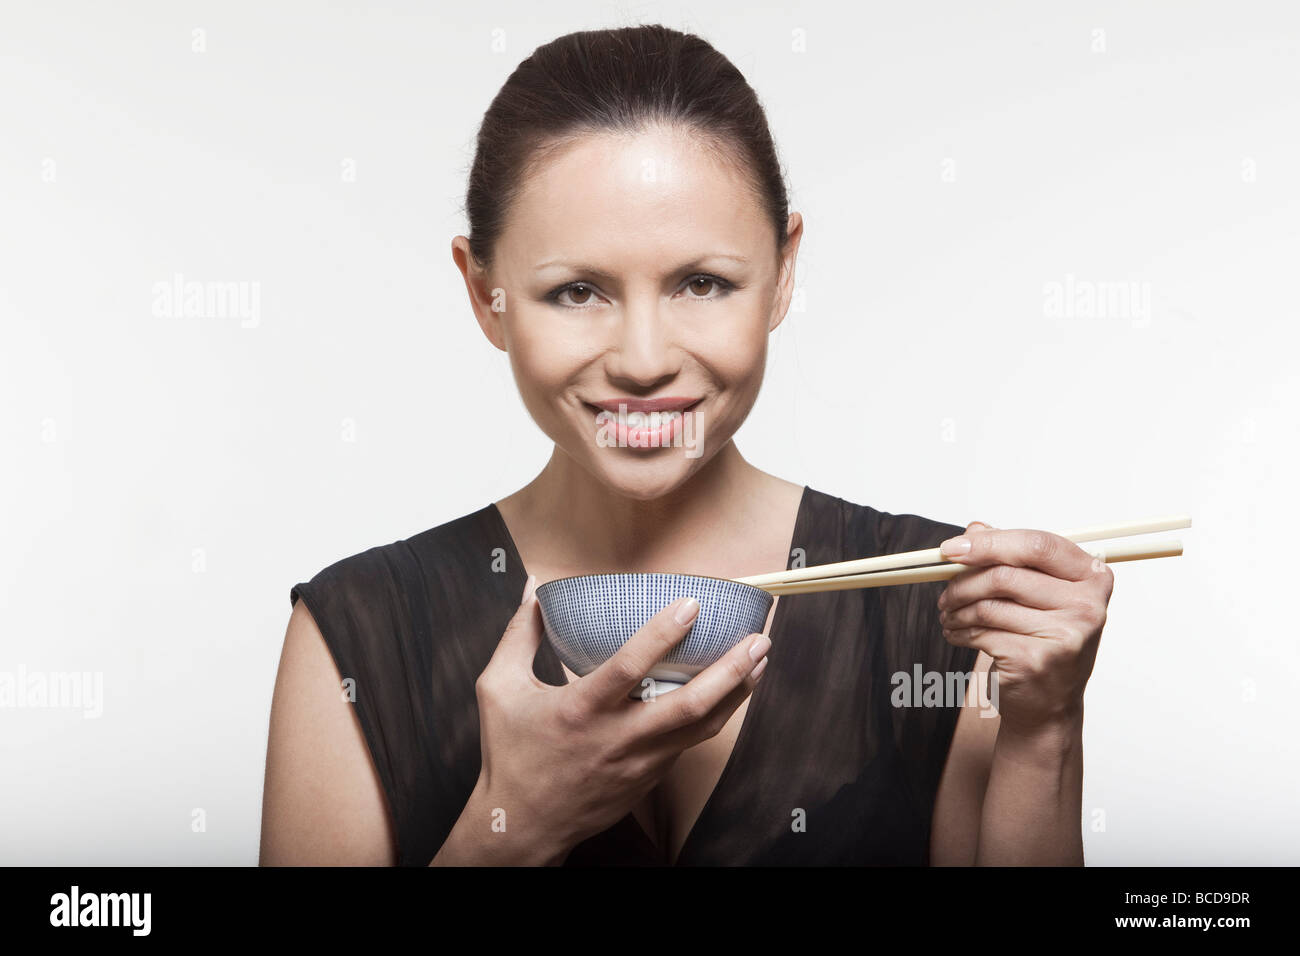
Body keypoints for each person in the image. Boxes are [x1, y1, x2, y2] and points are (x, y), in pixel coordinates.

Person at [259, 24, 1114, 866]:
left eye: (702, 283)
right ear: (487, 295)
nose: (644, 361)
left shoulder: (943, 607)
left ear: (782, 274)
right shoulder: (355, 635)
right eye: (576, 290)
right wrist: (512, 829)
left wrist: (1046, 730)